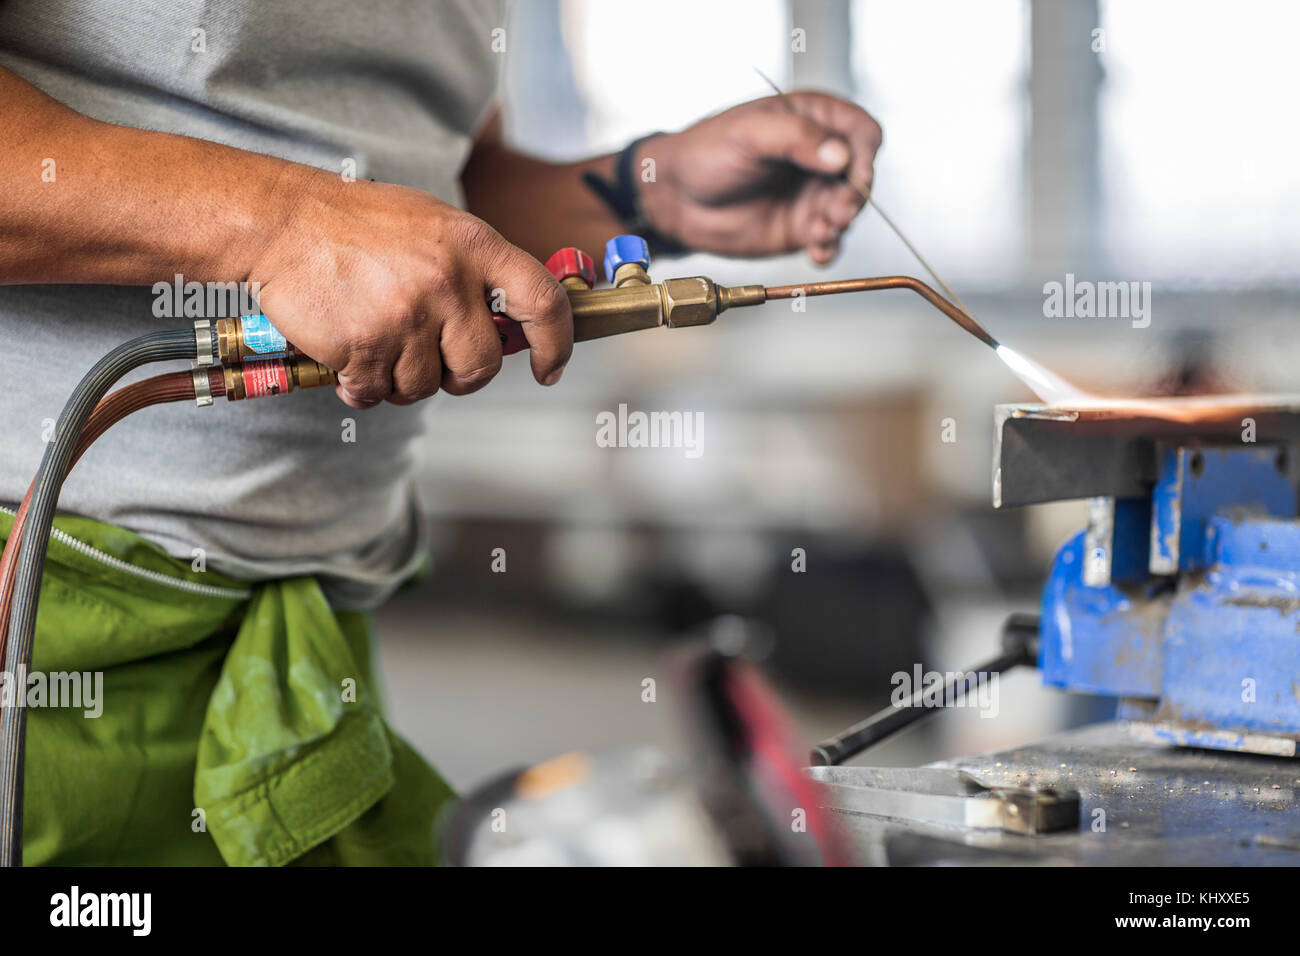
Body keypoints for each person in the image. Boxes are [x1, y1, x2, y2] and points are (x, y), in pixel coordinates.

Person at [0, 0, 881, 865]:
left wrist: (647, 190)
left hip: (305, 629)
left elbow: (434, 197)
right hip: (57, 621)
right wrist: (284, 227)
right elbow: (331, 227)